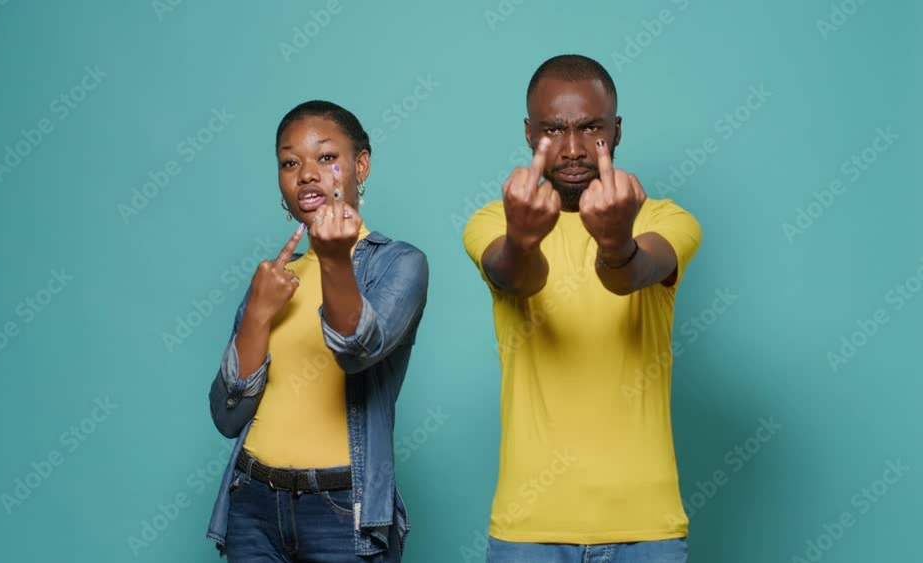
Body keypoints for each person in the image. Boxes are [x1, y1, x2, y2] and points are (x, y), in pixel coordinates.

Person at [463, 54, 702, 562]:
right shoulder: (494, 221)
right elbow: (518, 278)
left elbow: (630, 276)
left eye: (591, 128)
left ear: (616, 130)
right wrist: (523, 239)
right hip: (529, 531)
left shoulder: (666, 219)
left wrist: (616, 243)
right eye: (554, 130)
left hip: (647, 529)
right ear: (530, 134)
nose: (572, 149)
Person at [206, 100, 428, 562]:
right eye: (290, 163)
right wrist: (257, 313)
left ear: (360, 166)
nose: (307, 174)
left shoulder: (398, 264)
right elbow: (227, 416)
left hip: (343, 509)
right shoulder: (275, 277)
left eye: (327, 158)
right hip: (252, 505)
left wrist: (333, 260)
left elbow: (356, 351)